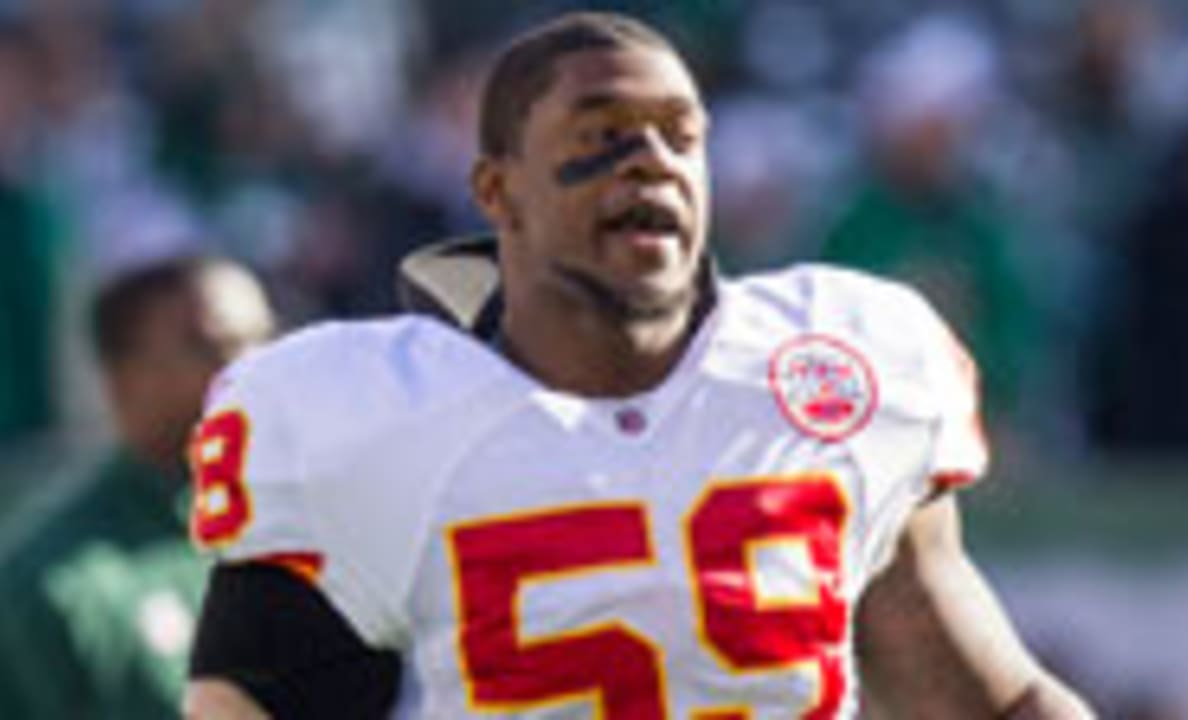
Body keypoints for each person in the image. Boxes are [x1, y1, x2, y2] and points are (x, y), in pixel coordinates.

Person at [184, 12, 1094, 719]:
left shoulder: (832, 368)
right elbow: (243, 701)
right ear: (498, 190)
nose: (651, 163)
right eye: (602, 135)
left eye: (679, 136)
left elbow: (995, 697)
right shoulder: (370, 417)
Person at [0, 256, 274, 718]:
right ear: (120, 377)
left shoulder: (313, 534)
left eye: (262, 338)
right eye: (211, 345)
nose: (251, 367)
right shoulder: (53, 587)